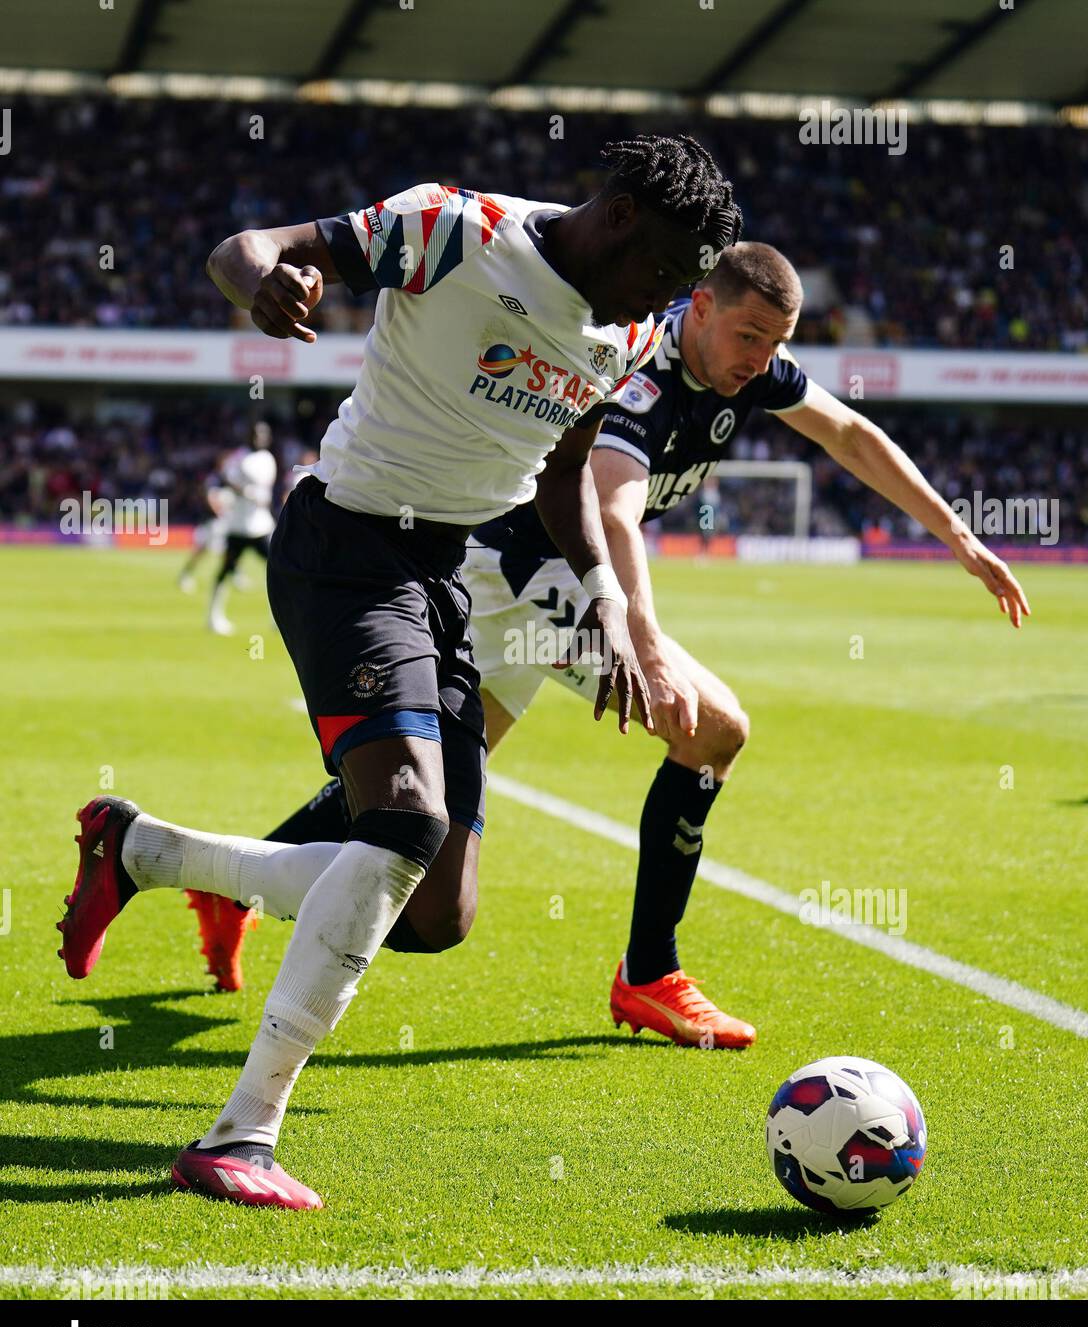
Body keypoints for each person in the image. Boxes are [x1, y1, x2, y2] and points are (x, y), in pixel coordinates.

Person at [55, 135, 744, 1209]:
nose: (654, 305)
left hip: (442, 572)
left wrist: (607, 602)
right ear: (614, 220)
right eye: (658, 273)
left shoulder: (639, 319)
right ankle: (240, 1134)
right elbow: (249, 246)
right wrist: (265, 284)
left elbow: (562, 468)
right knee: (403, 824)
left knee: (432, 914)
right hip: (346, 547)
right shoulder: (456, 231)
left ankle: (140, 849)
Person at [187, 242, 1030, 1048]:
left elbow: (847, 434)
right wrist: (646, 644)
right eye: (747, 336)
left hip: (529, 582)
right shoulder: (640, 372)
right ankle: (649, 974)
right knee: (714, 730)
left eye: (777, 343)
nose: (759, 357)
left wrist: (957, 535)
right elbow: (614, 509)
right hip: (516, 573)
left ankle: (237, 883)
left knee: (420, 787)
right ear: (698, 307)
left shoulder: (748, 366)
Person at [206, 422, 277, 635]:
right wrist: (245, 491)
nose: (260, 438)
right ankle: (213, 615)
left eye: (264, 434)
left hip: (260, 525)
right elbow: (226, 477)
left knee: (278, 570)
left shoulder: (267, 458)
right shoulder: (239, 457)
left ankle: (278, 618)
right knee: (226, 570)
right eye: (256, 434)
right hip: (238, 525)